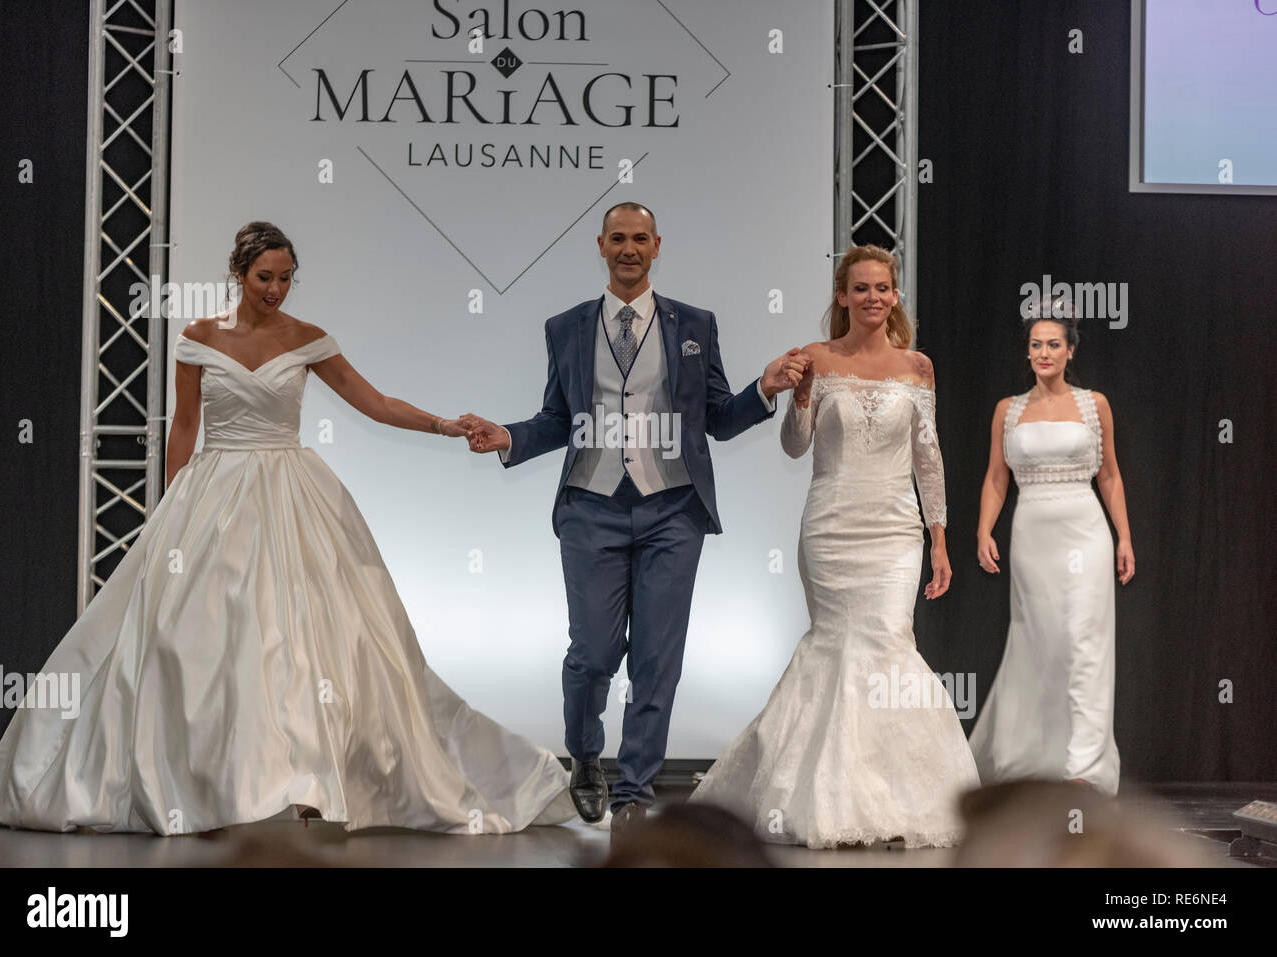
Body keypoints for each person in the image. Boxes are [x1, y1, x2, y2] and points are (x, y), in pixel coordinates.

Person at [0, 221, 576, 835]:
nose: (276, 288)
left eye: (286, 277)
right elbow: (183, 426)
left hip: (293, 492)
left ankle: (305, 784)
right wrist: (172, 504)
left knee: (304, 641)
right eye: (265, 277)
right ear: (237, 274)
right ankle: (214, 783)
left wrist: (444, 425)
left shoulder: (308, 338)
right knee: (199, 637)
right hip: (213, 493)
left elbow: (373, 402)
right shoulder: (198, 337)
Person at [460, 202, 808, 837]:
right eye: (617, 238)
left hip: (672, 509)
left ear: (657, 247)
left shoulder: (695, 324)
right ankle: (586, 755)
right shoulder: (565, 327)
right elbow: (558, 420)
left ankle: (634, 792)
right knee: (592, 654)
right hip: (591, 508)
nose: (628, 248)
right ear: (600, 245)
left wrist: (764, 389)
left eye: (639, 238)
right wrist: (507, 436)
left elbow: (719, 418)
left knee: (656, 658)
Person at [689, 244, 979, 848]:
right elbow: (795, 447)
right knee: (837, 644)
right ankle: (825, 796)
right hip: (831, 523)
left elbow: (929, 457)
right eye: (861, 288)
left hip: (897, 530)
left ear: (895, 296)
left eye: (883, 288)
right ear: (842, 297)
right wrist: (797, 403)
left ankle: (895, 797)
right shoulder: (814, 358)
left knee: (889, 643)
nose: (872, 297)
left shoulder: (919, 367)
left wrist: (941, 539)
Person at [970, 295, 1131, 796]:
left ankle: (1083, 769)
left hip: (1085, 529)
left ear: (1070, 351)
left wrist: (1125, 536)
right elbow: (996, 478)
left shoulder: (1093, 403)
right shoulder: (1008, 410)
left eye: (1053, 344)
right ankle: (1030, 764)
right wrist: (982, 530)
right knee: (1037, 645)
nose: (1044, 352)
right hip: (1031, 533)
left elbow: (1110, 476)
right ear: (1028, 353)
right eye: (1036, 344)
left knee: (1086, 643)